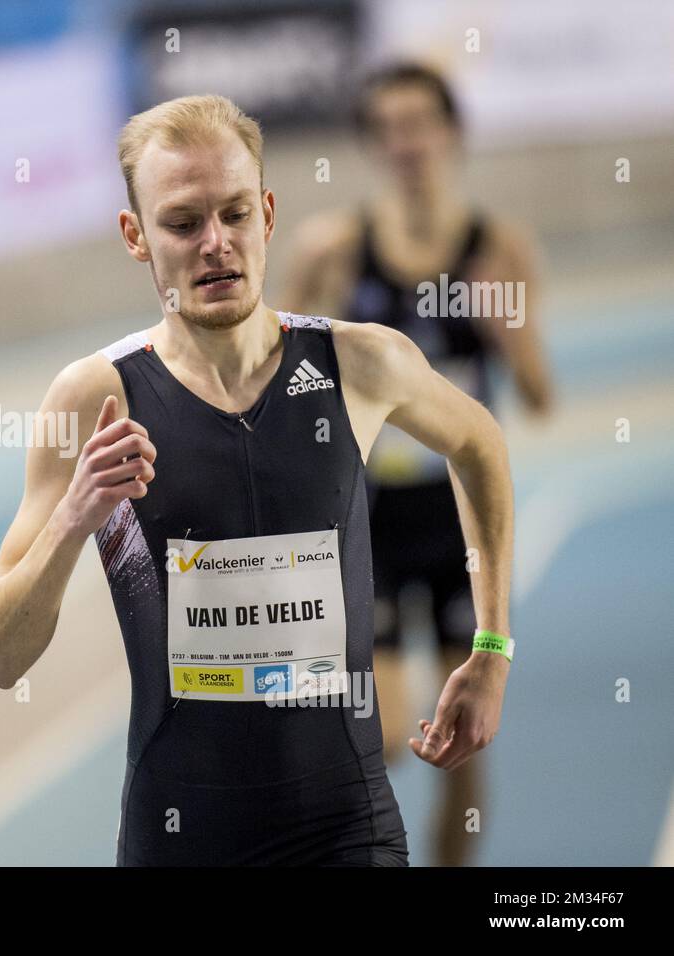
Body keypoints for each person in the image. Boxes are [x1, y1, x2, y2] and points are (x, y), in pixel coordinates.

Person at [0, 93, 514, 866]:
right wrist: (73, 520)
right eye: (183, 223)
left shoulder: (357, 363)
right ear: (136, 236)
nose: (215, 244)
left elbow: (481, 443)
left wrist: (491, 648)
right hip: (182, 833)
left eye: (232, 214)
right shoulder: (97, 398)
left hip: (348, 831)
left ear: (266, 213)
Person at [281, 62, 553, 866]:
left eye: (421, 124)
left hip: (465, 526)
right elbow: (284, 385)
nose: (408, 144)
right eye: (389, 128)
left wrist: (506, 329)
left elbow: (537, 396)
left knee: (466, 741)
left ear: (451, 133)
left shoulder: (500, 248)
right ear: (372, 145)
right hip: (370, 524)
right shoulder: (332, 251)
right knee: (392, 739)